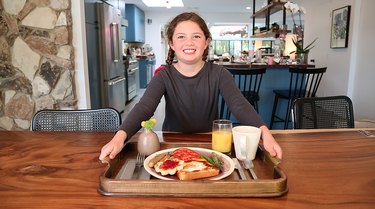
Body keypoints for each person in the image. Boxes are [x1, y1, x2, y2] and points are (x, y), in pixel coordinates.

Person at [99, 12, 282, 162]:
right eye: (181, 37)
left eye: (196, 36)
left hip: (210, 146)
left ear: (206, 42)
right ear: (171, 43)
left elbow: (239, 104)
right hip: (171, 145)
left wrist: (265, 133)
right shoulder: (164, 75)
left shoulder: (219, 74)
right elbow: (145, 107)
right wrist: (119, 137)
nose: (189, 42)